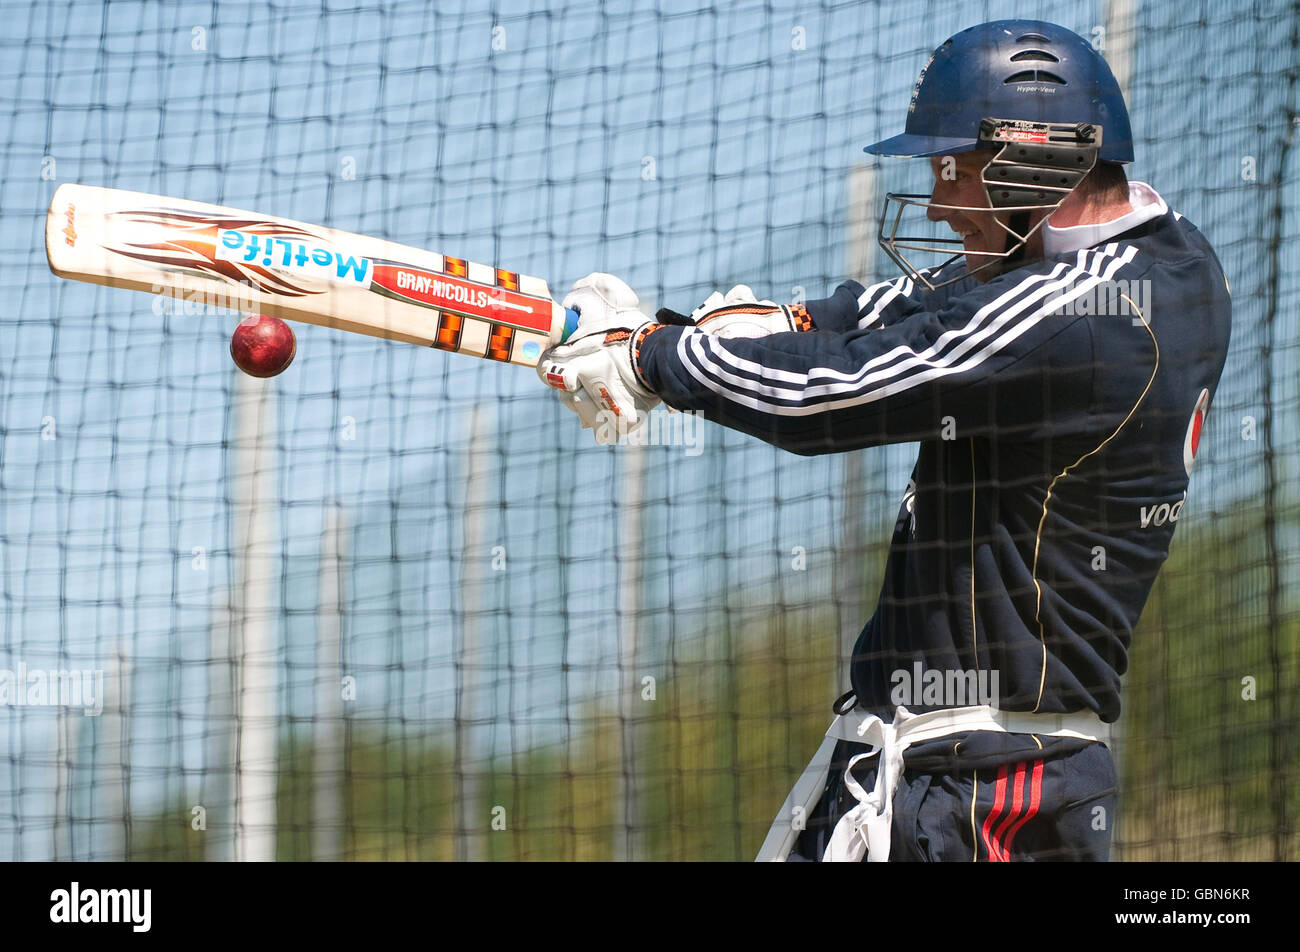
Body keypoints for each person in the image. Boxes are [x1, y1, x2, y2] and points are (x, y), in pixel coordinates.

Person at [537, 19, 1231, 861]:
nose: (940, 203)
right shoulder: (1167, 262)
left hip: (987, 796)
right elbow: (911, 313)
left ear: (1039, 160)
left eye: (958, 172)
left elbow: (832, 395)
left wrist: (656, 360)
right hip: (943, 764)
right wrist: (771, 321)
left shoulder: (1083, 316)